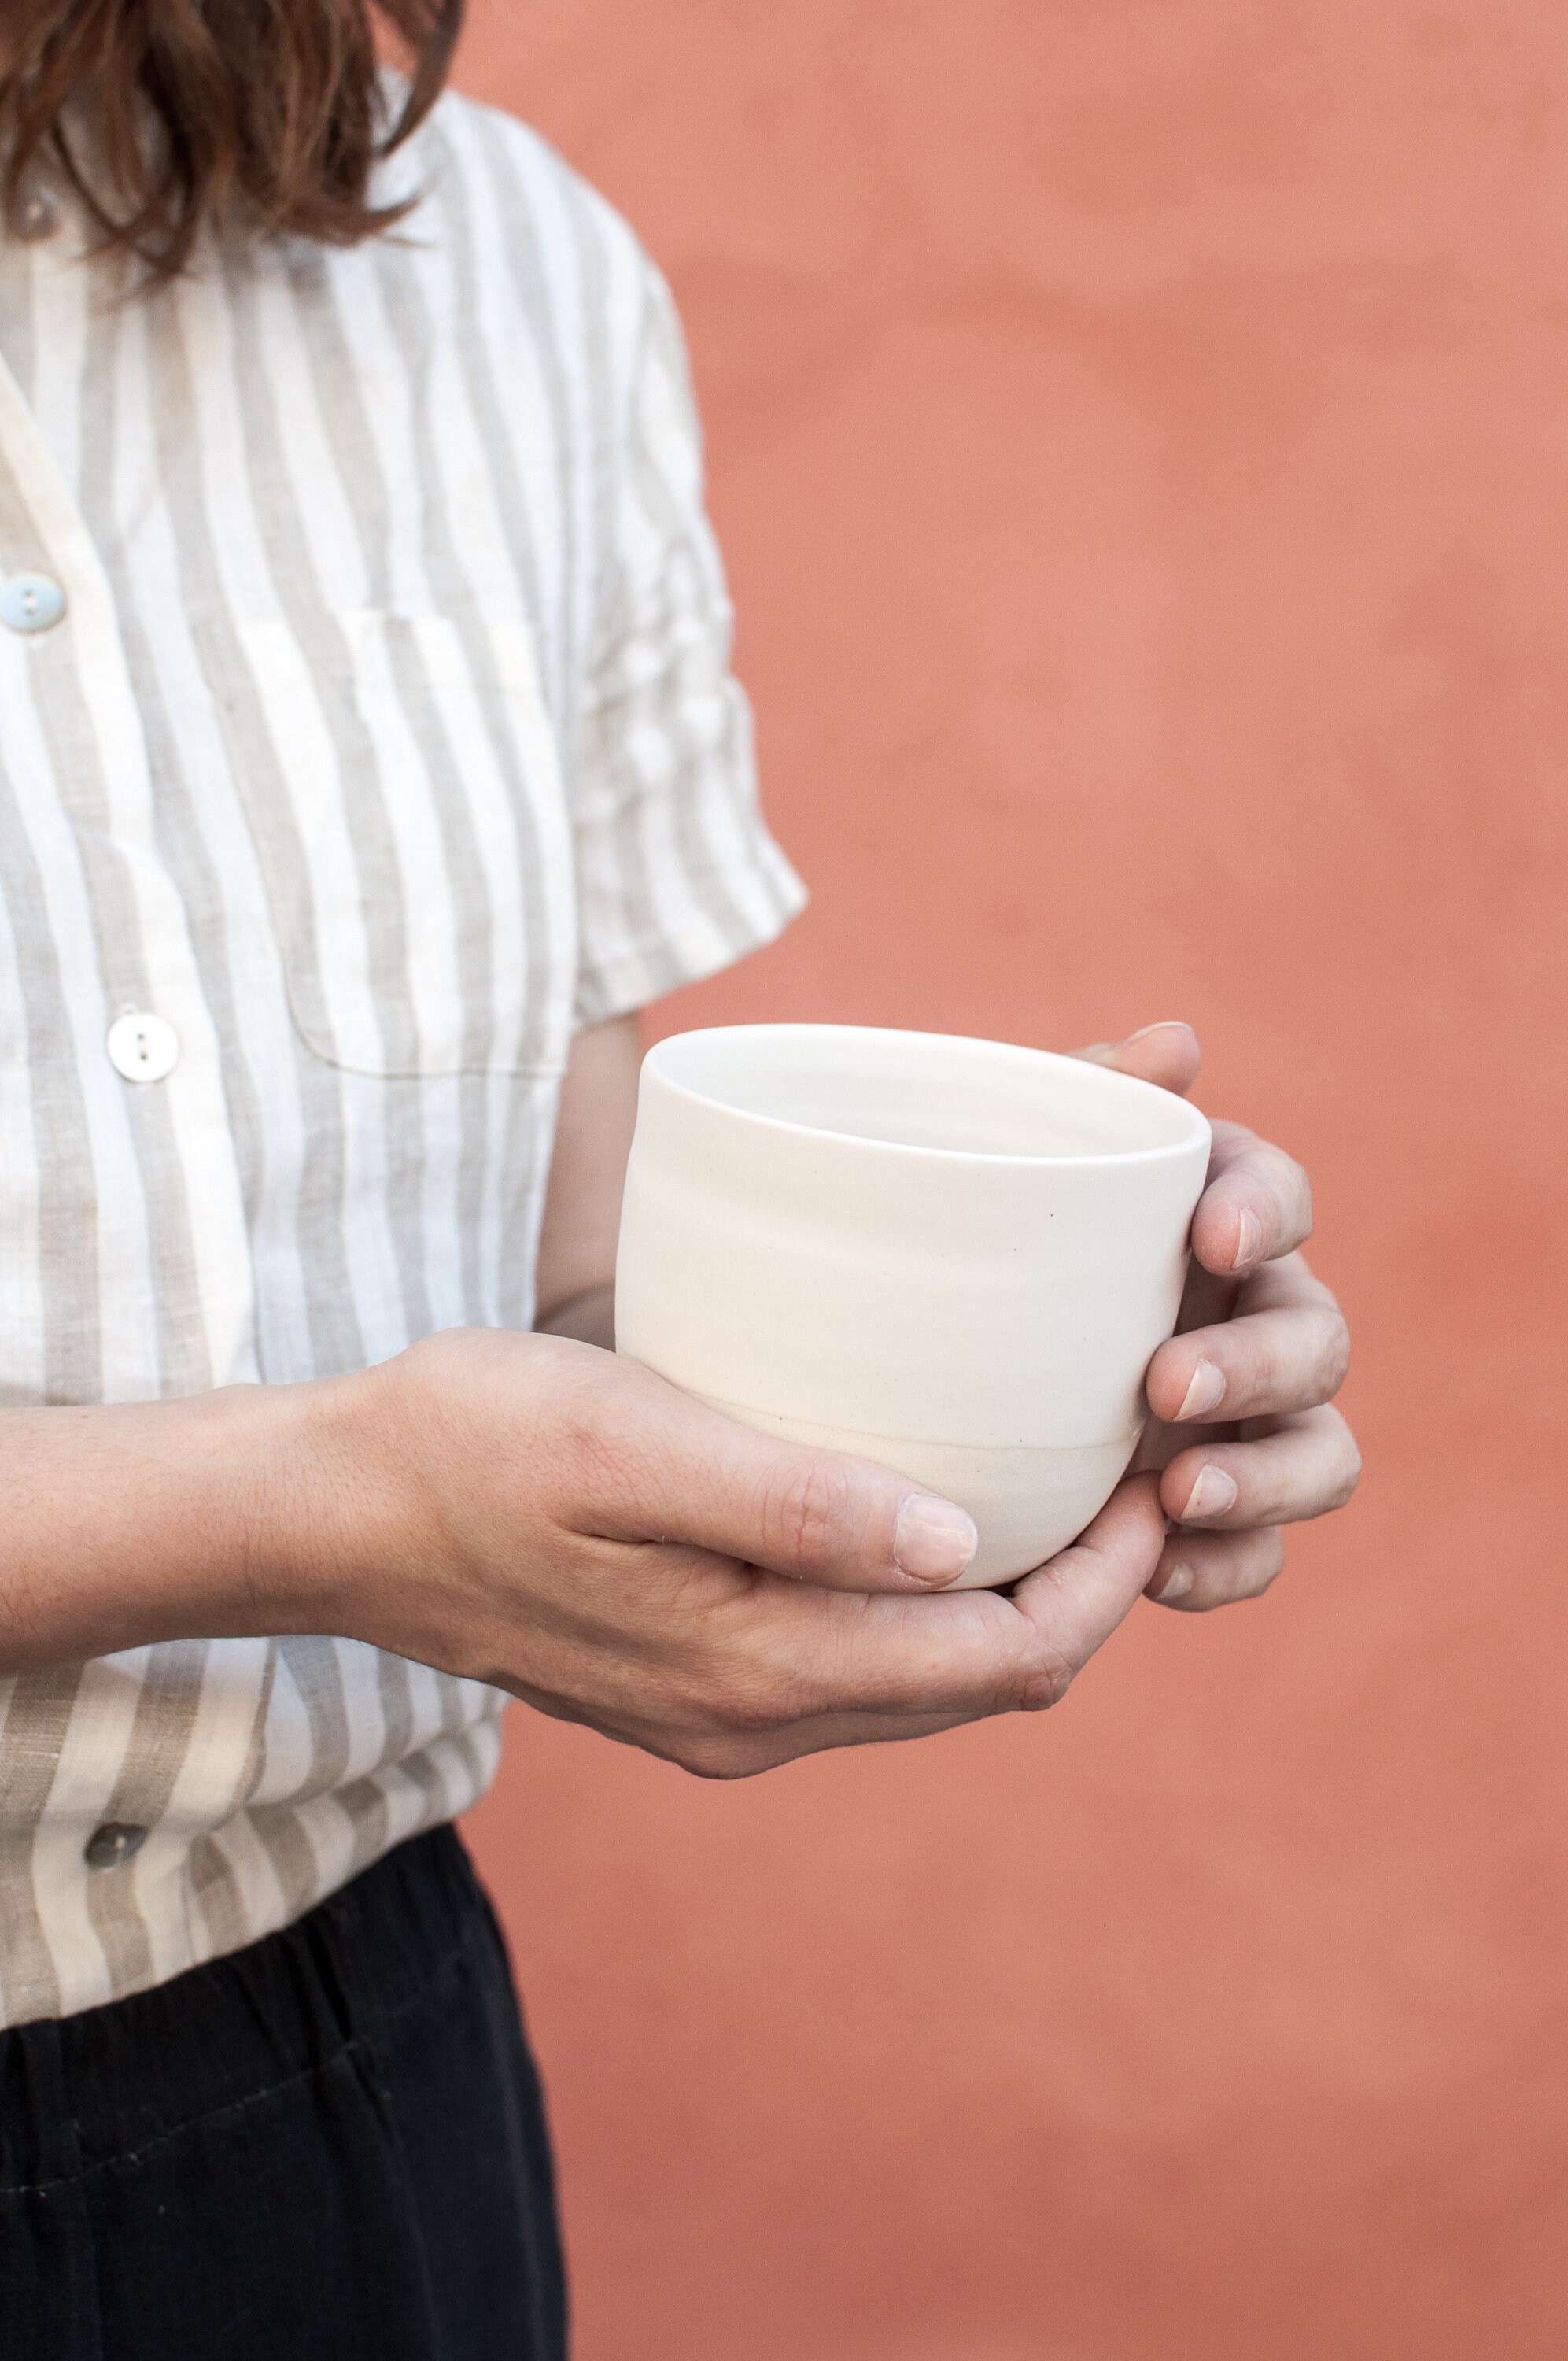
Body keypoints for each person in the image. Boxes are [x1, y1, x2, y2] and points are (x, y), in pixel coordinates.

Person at [0, 4, 1359, 2355]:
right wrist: (314, 1505)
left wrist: (1008, 1345)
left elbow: (581, 1274)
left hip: (345, 2113)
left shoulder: (513, 278)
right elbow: (379, 1467)